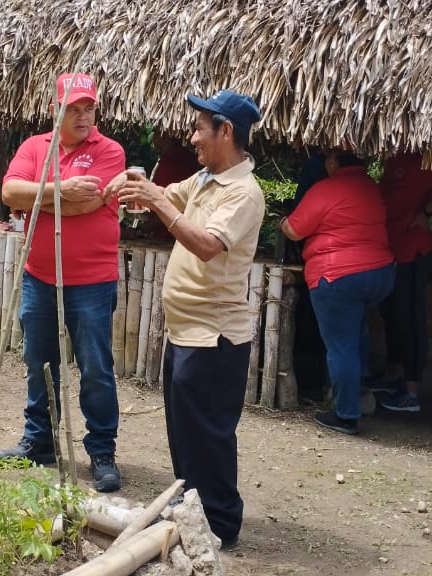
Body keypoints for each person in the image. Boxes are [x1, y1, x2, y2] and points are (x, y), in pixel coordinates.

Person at [108, 88, 264, 549]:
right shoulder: (203, 181)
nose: (192, 137)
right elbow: (159, 197)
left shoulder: (243, 193)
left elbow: (206, 244)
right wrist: (132, 187)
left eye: (200, 128)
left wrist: (157, 201)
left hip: (215, 338)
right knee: (185, 434)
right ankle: (194, 511)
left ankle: (219, 525)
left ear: (226, 130)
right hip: (186, 333)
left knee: (209, 437)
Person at [0, 73, 125, 493]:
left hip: (92, 279)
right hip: (40, 276)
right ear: (57, 110)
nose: (84, 116)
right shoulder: (36, 146)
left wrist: (45, 197)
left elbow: (92, 201)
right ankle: (41, 442)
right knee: (38, 361)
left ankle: (102, 451)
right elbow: (10, 193)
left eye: (89, 108)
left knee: (96, 368)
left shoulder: (110, 150)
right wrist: (61, 189)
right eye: (75, 109)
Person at [279, 149, 395, 436]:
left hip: (338, 275)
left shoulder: (326, 188)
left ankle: (346, 415)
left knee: (341, 346)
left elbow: (295, 229)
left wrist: (281, 221)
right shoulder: (370, 186)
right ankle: (361, 392)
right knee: (356, 335)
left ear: (333, 162)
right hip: (380, 274)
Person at [375, 152, 432, 413]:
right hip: (392, 249)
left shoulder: (420, 162)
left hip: (413, 251)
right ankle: (392, 375)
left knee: (410, 319)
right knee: (391, 314)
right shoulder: (393, 160)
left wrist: (426, 212)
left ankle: (411, 392)